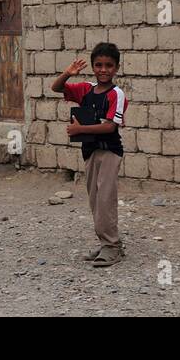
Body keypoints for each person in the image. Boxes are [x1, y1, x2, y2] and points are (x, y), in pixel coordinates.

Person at [51, 42, 128, 267]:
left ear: (116, 68)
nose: (103, 70)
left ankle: (112, 247)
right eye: (98, 65)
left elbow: (110, 127)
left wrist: (79, 129)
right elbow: (56, 88)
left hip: (109, 151)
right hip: (90, 151)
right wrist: (67, 73)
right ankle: (107, 243)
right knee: (95, 200)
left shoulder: (116, 94)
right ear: (93, 67)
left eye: (109, 66)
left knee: (105, 198)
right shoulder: (86, 89)